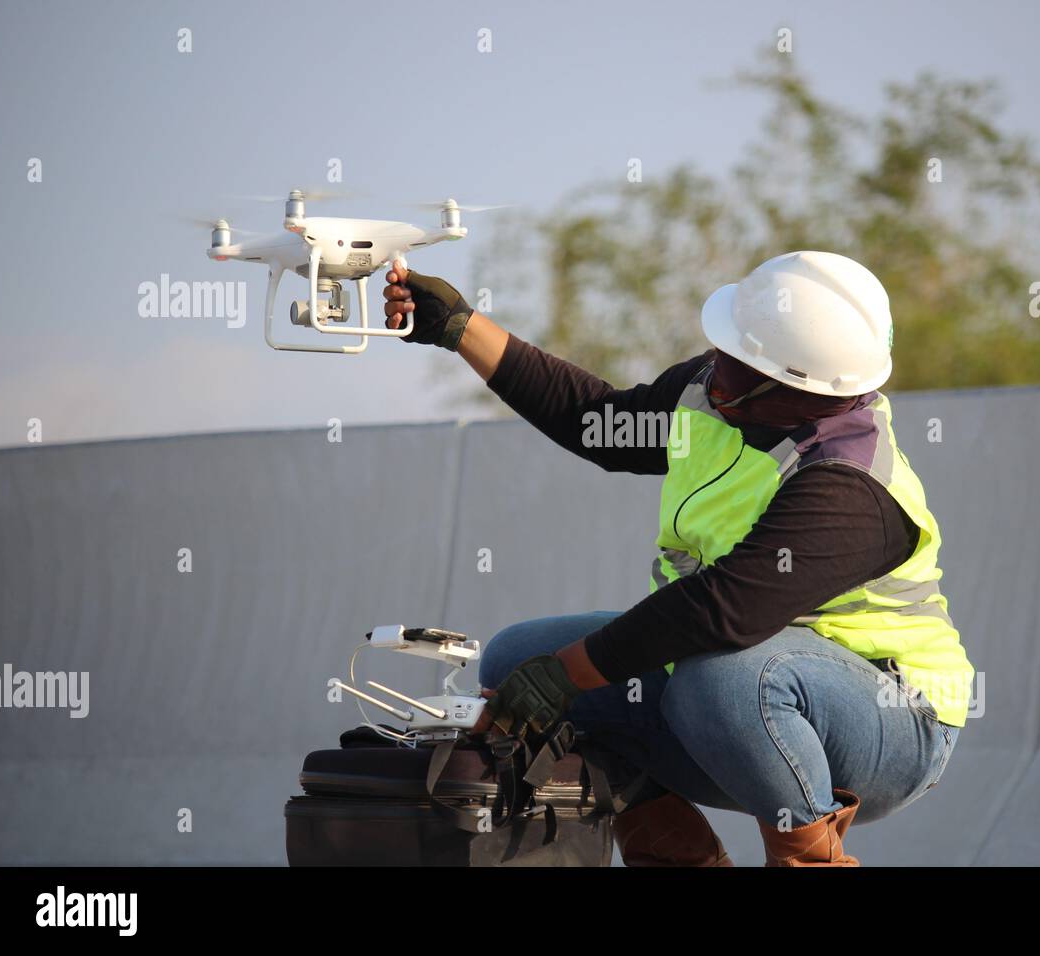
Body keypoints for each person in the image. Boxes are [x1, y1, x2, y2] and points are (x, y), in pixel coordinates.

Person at [383, 250, 974, 867]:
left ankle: (808, 860)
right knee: (515, 658)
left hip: (890, 720)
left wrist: (564, 676)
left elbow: (722, 612)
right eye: (726, 353)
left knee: (715, 680)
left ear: (797, 390)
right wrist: (459, 328)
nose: (715, 373)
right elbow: (598, 425)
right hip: (736, 684)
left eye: (739, 369)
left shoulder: (850, 484)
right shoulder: (723, 389)